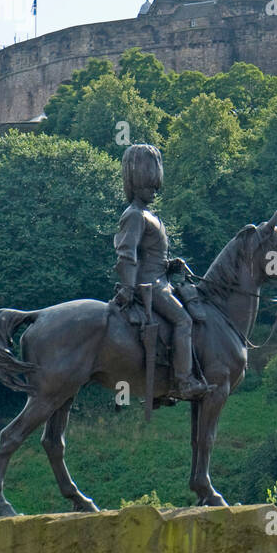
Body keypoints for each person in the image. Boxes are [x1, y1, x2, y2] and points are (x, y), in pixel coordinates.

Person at [114, 144, 209, 401]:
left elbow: (151, 256)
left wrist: (170, 264)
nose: (155, 190)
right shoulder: (134, 215)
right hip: (150, 285)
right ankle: (184, 382)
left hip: (161, 279)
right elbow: (127, 254)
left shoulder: (148, 214)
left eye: (156, 185)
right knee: (183, 321)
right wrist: (128, 287)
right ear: (135, 183)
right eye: (149, 185)